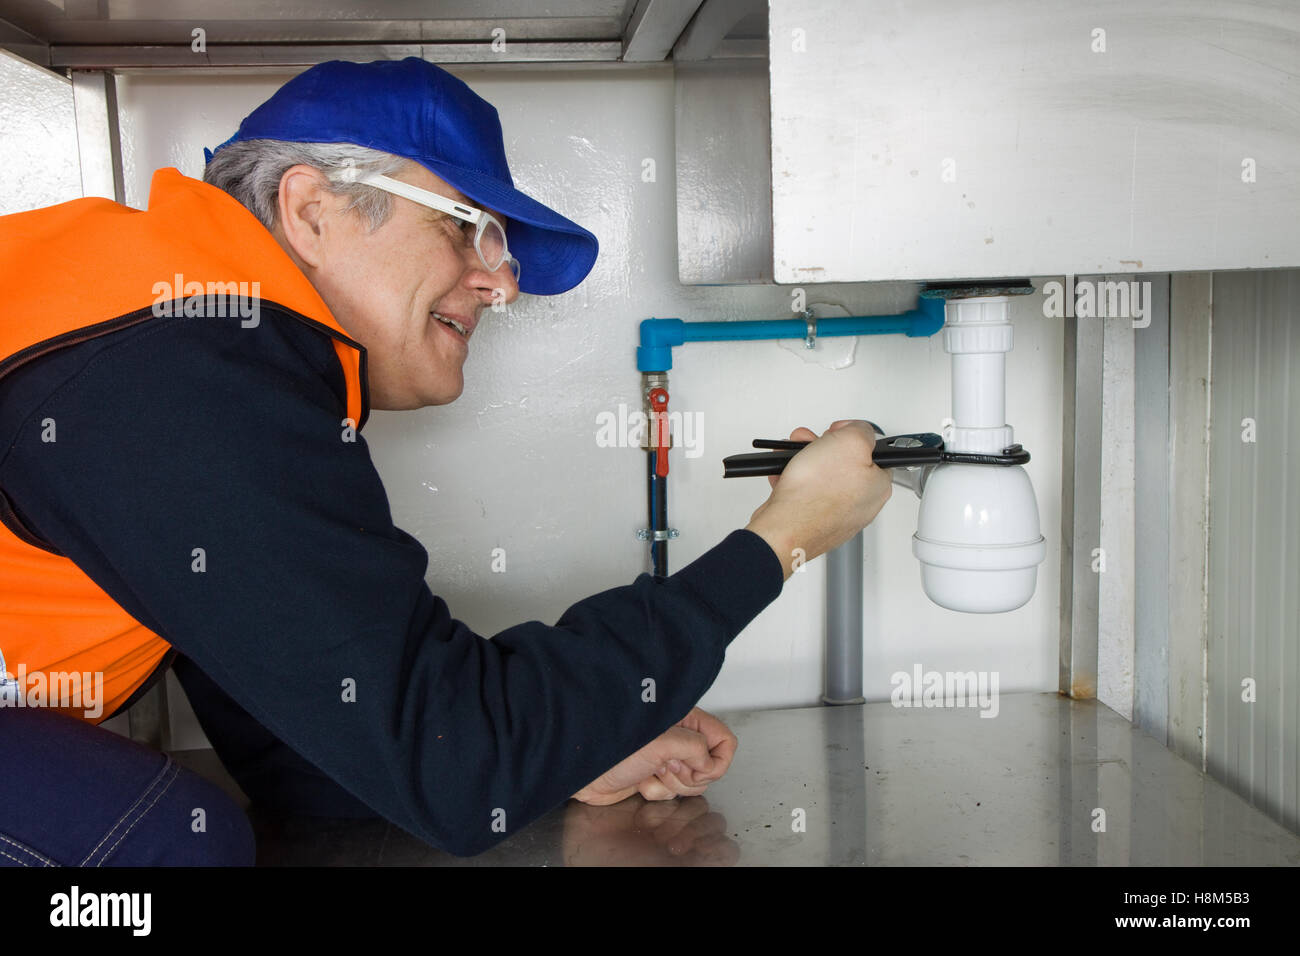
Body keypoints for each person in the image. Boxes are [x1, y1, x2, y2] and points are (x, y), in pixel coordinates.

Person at [0, 57, 892, 864]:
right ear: (312, 209)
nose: (502, 285)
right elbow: (460, 765)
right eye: (471, 231)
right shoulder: (175, 367)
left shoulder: (188, 331)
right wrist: (779, 541)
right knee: (167, 850)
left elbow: (301, 732)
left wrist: (571, 748)